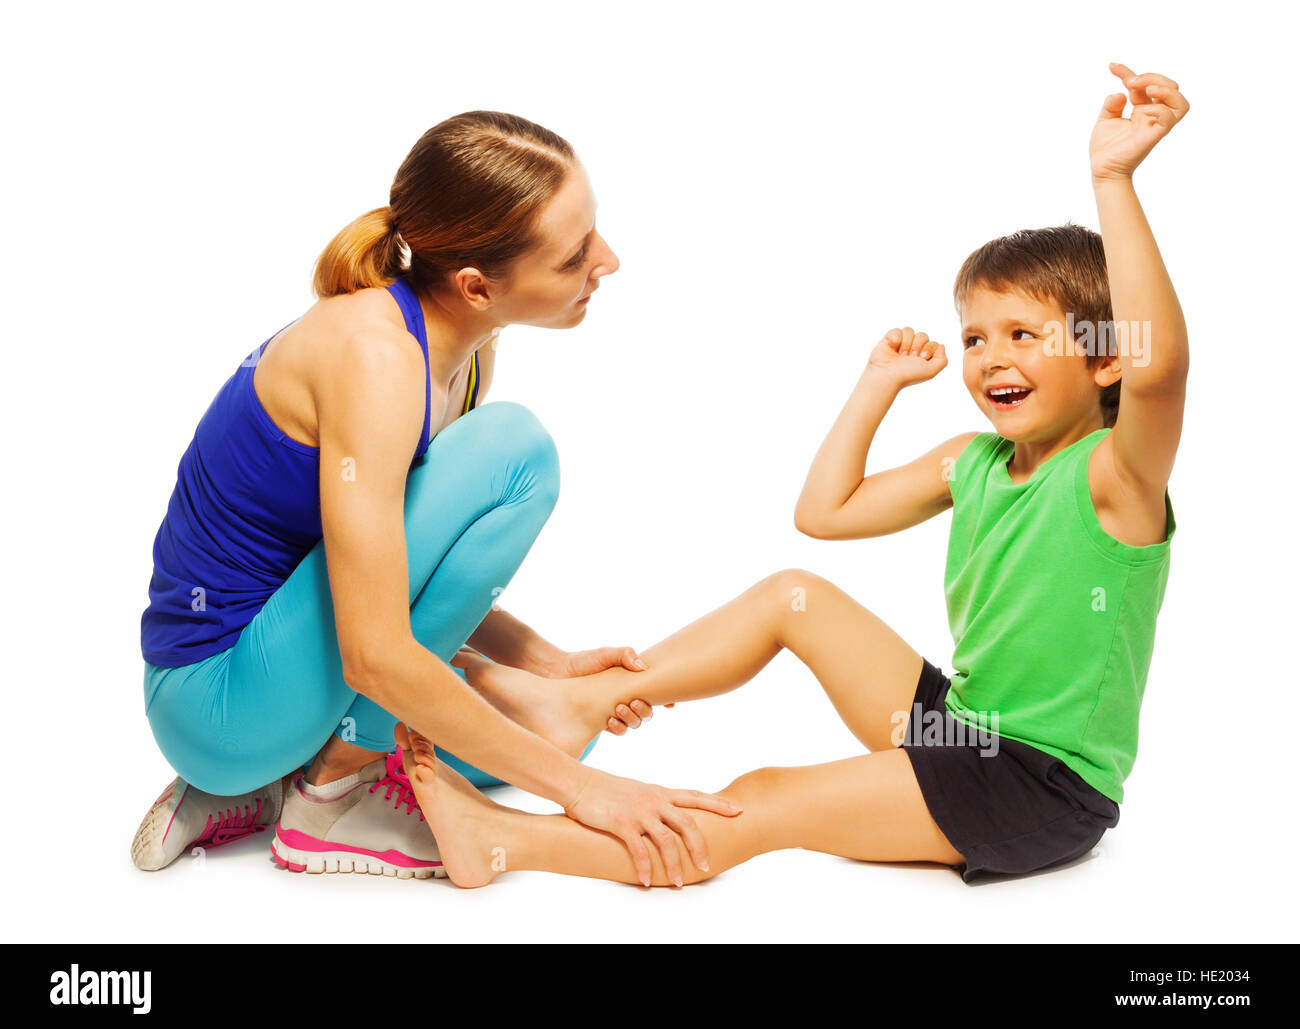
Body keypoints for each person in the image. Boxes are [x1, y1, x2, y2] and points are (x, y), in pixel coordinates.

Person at [399, 63, 1188, 887]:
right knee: (790, 594)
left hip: (1035, 786)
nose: (992, 358)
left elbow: (1160, 368)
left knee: (763, 799)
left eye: (1024, 335)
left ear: (1104, 359)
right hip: (965, 730)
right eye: (977, 338)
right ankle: (578, 706)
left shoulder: (1114, 478)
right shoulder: (971, 461)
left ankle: (504, 843)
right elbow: (825, 513)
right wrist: (876, 386)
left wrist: (1113, 177)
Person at [132, 111, 741, 885]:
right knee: (518, 453)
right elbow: (375, 649)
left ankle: (267, 784)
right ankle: (326, 796)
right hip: (214, 701)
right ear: (478, 286)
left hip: (278, 674)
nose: (609, 261)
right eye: (574, 255)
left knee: (559, 730)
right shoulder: (377, 359)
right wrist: (590, 797)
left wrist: (545, 664)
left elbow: (389, 559)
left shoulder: (468, 350)